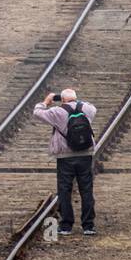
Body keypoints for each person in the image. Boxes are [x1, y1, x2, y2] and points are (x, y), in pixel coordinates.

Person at [33, 89, 98, 235]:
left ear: (62, 100)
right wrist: (77, 101)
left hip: (65, 157)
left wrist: (46, 101)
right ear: (75, 99)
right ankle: (88, 226)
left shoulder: (57, 111)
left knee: (64, 191)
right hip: (85, 155)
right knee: (86, 190)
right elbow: (93, 107)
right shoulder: (86, 109)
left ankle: (66, 226)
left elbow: (37, 112)